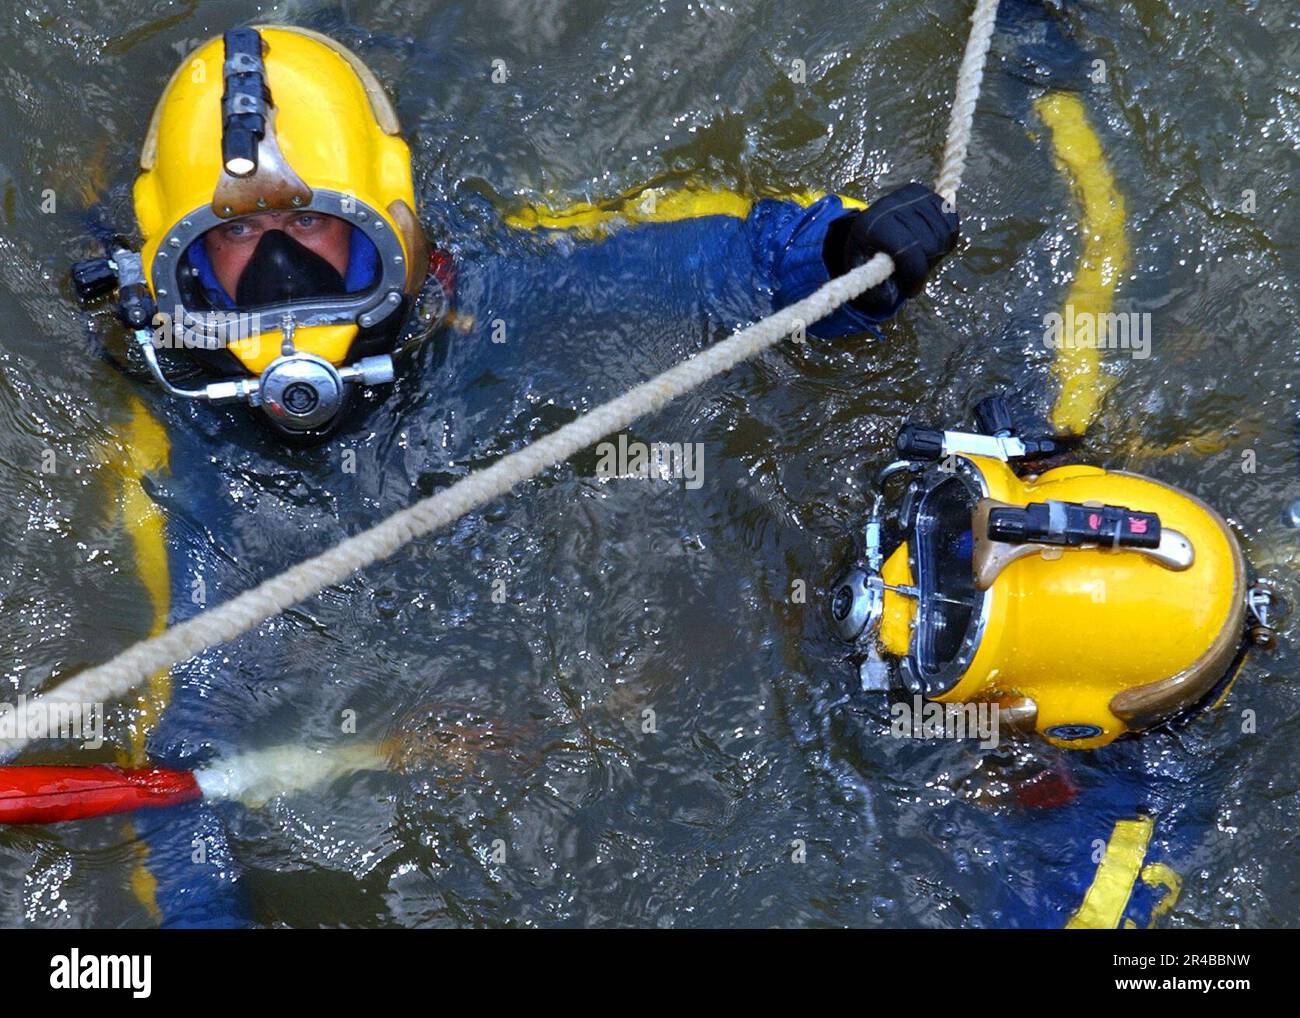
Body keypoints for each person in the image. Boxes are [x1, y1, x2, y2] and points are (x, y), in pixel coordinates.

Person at [69, 23, 956, 926]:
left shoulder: (477, 292)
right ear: (170, 271)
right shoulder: (171, 447)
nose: (281, 267)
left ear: (391, 219)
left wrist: (843, 259)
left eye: (308, 223)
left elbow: (703, 257)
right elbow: (174, 775)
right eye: (237, 236)